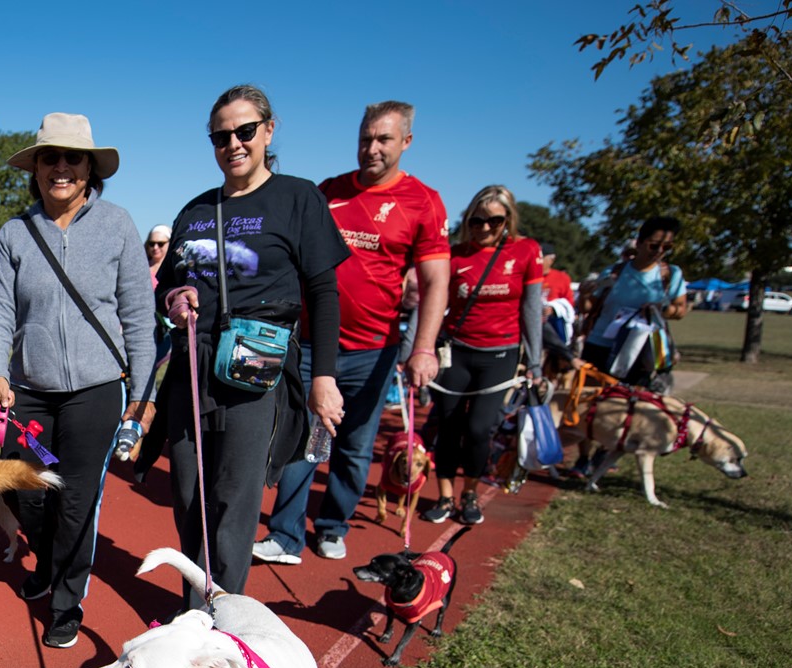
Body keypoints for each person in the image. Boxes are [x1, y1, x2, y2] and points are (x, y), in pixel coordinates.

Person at [155, 84, 349, 606]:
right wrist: (174, 297)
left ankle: (218, 619)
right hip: (192, 368)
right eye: (221, 136)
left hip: (255, 365)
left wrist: (322, 376)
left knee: (233, 502)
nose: (233, 144)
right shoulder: (196, 209)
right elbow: (164, 286)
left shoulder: (298, 196)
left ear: (268, 130)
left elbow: (323, 292)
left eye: (244, 131)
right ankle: (195, 606)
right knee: (189, 497)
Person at [0, 112, 158, 648]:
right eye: (49, 158)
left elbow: (138, 317)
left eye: (72, 158)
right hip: (31, 393)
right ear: (35, 168)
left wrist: (142, 396)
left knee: (77, 498)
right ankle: (49, 564)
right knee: (31, 494)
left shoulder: (118, 225)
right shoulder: (15, 233)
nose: (61, 168)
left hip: (95, 393)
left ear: (89, 168)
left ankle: (65, 599)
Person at [253, 100, 448, 565]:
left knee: (355, 445)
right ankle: (285, 535)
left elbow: (436, 279)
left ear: (406, 142)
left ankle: (332, 526)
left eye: (383, 139)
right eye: (366, 138)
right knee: (303, 434)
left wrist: (423, 347)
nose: (372, 148)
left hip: (374, 348)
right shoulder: (329, 191)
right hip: (313, 342)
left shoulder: (423, 201)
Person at [420, 185, 543, 526]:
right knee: (448, 425)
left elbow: (532, 309)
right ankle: (444, 495)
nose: (485, 228)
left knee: (479, 429)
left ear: (508, 221)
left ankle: (470, 493)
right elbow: (433, 302)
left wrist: (535, 362)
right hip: (457, 352)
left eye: (494, 221)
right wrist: (419, 349)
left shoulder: (526, 252)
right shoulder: (454, 255)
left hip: (499, 354)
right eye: (477, 221)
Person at [576, 216, 688, 388]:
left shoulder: (671, 275)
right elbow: (588, 307)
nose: (659, 251)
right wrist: (583, 295)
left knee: (632, 405)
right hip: (600, 346)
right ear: (639, 243)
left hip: (640, 350)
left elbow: (680, 311)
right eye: (654, 245)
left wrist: (660, 309)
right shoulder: (614, 272)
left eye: (667, 247)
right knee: (590, 401)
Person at [146, 225, 173, 364]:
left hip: (169, 331)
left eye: (161, 243)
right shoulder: (141, 267)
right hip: (145, 328)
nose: (155, 247)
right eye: (152, 243)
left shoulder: (176, 268)